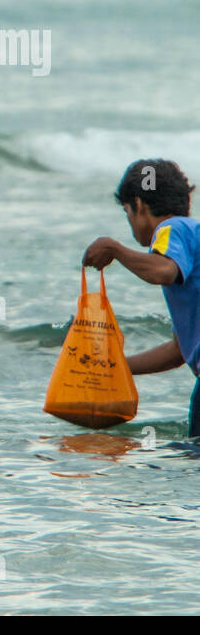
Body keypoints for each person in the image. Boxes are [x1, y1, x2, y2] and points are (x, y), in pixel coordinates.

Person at [83, 158, 200, 437]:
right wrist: (115, 367)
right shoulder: (191, 235)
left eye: (127, 213)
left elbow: (163, 270)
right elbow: (178, 351)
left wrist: (114, 248)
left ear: (138, 205)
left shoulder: (172, 229)